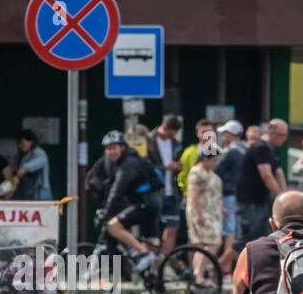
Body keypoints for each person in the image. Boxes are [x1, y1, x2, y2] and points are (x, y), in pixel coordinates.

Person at [89, 130, 161, 274]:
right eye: (108, 149)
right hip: (150, 203)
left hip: (145, 204)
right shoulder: (124, 161)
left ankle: (142, 252)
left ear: (122, 147)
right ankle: (156, 284)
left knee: (113, 226)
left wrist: (107, 213)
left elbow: (117, 190)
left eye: (114, 148)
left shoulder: (129, 164)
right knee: (154, 249)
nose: (111, 152)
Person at [236, 119, 289, 246]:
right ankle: (223, 263)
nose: (284, 139)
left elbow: (278, 172)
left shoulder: (272, 149)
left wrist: (285, 194)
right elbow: (267, 175)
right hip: (250, 201)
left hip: (261, 200)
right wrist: (281, 198)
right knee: (252, 238)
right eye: (282, 135)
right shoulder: (260, 147)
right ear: (272, 133)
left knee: (260, 235)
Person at [185, 139, 224, 282]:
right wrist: (199, 214)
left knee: (208, 243)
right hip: (201, 212)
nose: (216, 163)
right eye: (213, 160)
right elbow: (193, 195)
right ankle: (198, 273)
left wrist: (222, 210)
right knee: (206, 243)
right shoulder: (197, 172)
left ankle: (202, 273)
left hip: (212, 213)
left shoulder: (211, 174)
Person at [216, 120, 247, 273]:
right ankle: (235, 269)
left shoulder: (230, 152)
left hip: (228, 195)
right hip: (241, 196)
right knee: (237, 232)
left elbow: (217, 172)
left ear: (232, 134)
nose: (223, 136)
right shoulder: (245, 150)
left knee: (229, 232)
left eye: (225, 133)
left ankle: (225, 269)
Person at [151, 115, 185, 255]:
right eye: (171, 133)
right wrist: (165, 167)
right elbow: (145, 165)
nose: (172, 136)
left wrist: (178, 167)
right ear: (164, 128)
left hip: (172, 193)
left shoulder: (176, 144)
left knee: (172, 228)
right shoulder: (148, 140)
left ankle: (163, 262)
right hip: (155, 192)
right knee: (152, 230)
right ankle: (150, 263)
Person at [176, 118, 216, 205]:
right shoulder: (189, 152)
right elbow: (183, 175)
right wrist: (187, 192)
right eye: (203, 132)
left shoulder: (221, 152)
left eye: (209, 131)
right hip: (193, 197)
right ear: (198, 134)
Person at [10, 129, 51, 201]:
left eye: (22, 143)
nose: (20, 146)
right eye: (19, 143)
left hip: (40, 193)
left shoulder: (39, 152)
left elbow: (41, 160)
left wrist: (24, 168)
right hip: (27, 194)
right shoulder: (25, 158)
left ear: (30, 141)